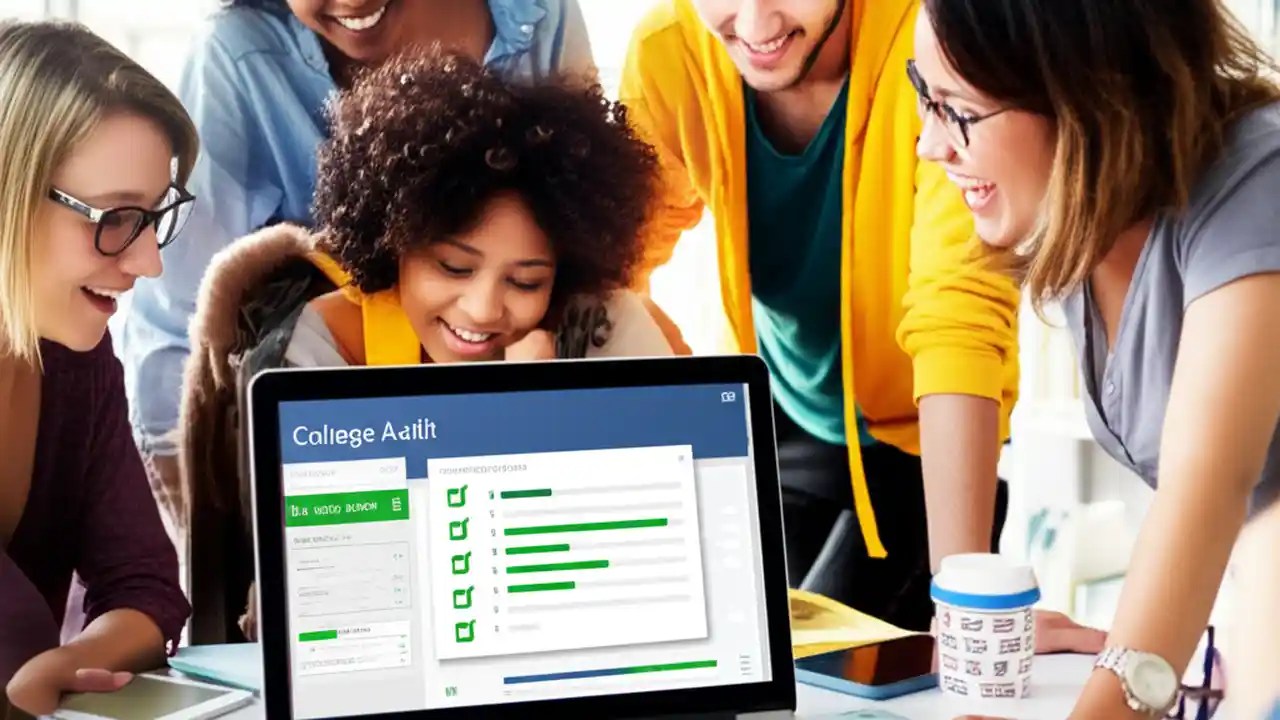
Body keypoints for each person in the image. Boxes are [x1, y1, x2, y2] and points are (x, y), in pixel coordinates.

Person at [179, 50, 683, 641]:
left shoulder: (609, 322)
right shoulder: (324, 346)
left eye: (526, 281)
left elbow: (655, 543)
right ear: (394, 245)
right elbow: (335, 580)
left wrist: (545, 404)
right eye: (452, 266)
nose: (483, 309)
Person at [618, 0, 1066, 637]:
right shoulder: (670, 53)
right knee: (743, 651)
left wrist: (966, 604)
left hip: (918, 436)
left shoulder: (933, 43)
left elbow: (958, 314)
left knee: (824, 677)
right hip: (782, 411)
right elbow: (615, 268)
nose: (755, 28)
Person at [911, 0, 1280, 715]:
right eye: (923, 95)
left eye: (958, 110)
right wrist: (1120, 652)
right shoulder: (1088, 218)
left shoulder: (1257, 179)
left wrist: (1123, 684)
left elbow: (1210, 485)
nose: (930, 145)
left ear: (1083, 93)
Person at [118, 0, 596, 536]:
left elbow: (591, 268)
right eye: (454, 265)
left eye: (524, 279)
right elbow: (173, 337)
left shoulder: (539, 15)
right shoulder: (236, 57)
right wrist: (209, 550)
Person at [0, 21, 197, 718]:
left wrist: (69, 664)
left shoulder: (77, 361)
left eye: (152, 218)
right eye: (115, 218)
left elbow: (147, 586)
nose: (149, 262)